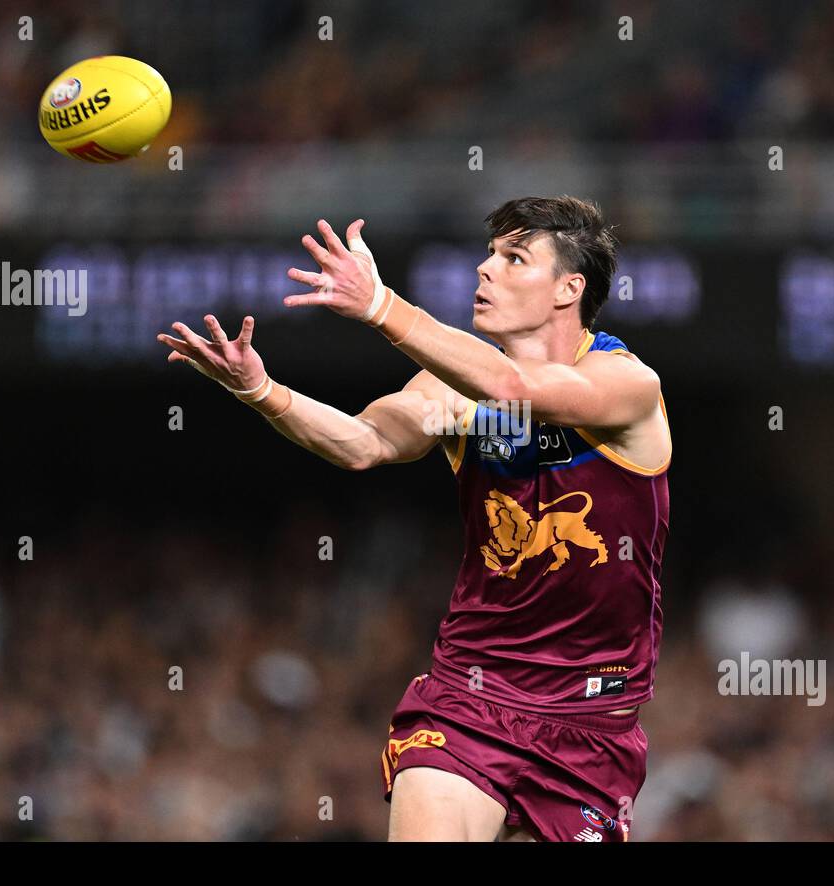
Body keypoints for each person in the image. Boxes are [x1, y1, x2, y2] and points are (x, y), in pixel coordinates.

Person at [157, 195, 671, 841]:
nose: (486, 270)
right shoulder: (449, 389)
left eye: (514, 258)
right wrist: (261, 391)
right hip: (469, 695)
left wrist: (380, 305)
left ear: (570, 288)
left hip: (591, 722)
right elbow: (362, 443)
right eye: (488, 255)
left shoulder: (627, 386)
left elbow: (518, 391)